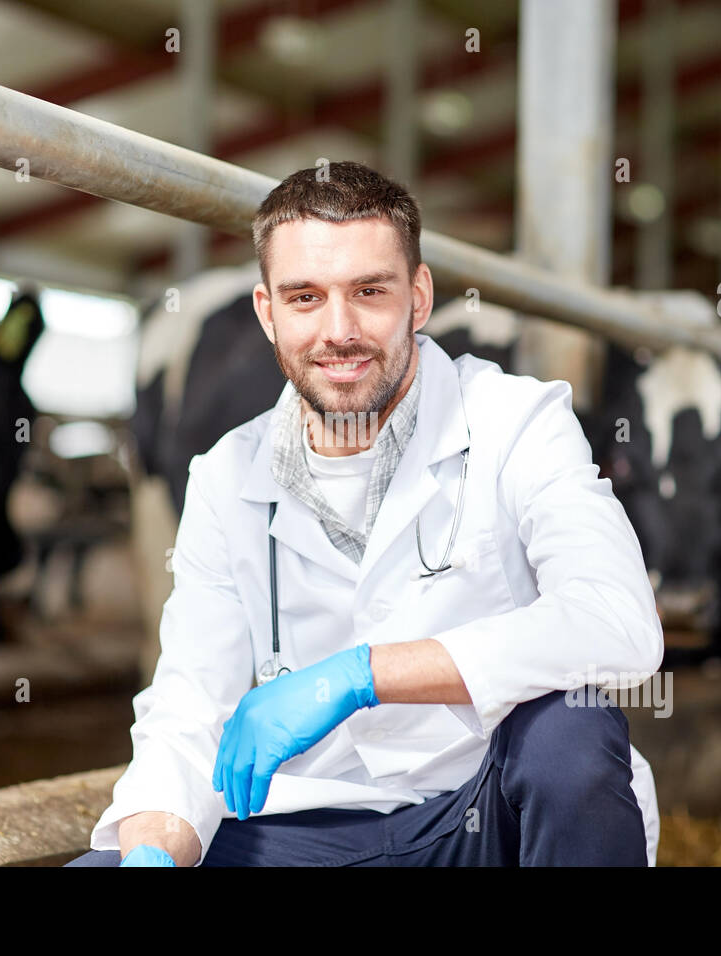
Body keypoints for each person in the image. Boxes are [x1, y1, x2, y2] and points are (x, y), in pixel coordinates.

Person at [67, 160, 663, 867]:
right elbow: (189, 707)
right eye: (305, 297)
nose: (338, 331)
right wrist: (154, 848)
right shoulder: (226, 475)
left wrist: (357, 676)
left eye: (369, 292)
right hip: (300, 832)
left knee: (570, 729)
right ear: (267, 312)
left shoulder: (517, 422)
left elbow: (617, 621)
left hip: (478, 816)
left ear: (418, 298)